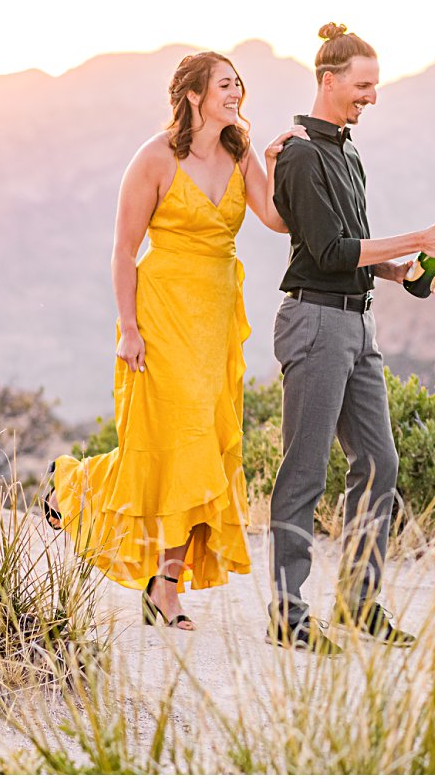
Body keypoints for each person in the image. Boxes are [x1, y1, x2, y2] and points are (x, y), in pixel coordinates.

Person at [45, 50, 305, 631]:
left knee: (203, 446)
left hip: (216, 320)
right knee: (173, 442)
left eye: (239, 85)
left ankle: (162, 579)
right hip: (161, 315)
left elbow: (274, 219)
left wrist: (268, 160)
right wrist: (129, 328)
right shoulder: (154, 158)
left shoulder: (239, 153)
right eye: (224, 85)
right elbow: (122, 251)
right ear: (193, 96)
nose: (235, 94)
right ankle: (80, 494)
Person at [266, 21, 435, 654]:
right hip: (316, 321)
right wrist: (419, 239)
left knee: (379, 461)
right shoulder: (300, 155)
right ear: (330, 80)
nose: (372, 97)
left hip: (358, 321)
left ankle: (358, 602)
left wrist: (405, 271)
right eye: (363, 85)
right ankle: (288, 610)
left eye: (375, 86)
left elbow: (356, 251)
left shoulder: (347, 152)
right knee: (304, 469)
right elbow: (326, 250)